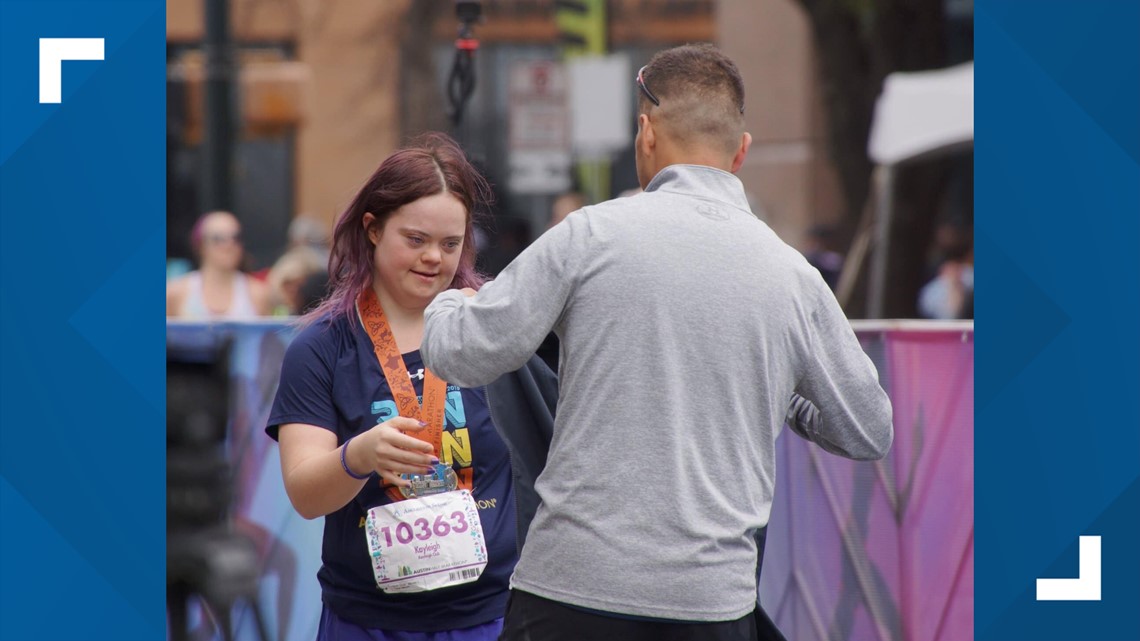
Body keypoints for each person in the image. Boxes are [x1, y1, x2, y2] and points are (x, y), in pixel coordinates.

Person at [420, 44, 893, 641]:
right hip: (712, 604)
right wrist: (780, 388)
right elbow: (868, 429)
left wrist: (449, 300)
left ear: (646, 132)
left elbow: (462, 352)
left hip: (573, 590)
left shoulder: (589, 236)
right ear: (741, 151)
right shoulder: (792, 275)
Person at [265, 132, 557, 641]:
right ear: (373, 229)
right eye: (416, 240)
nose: (433, 259)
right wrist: (358, 456)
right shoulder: (322, 347)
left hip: (491, 616)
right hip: (367, 621)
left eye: (450, 244)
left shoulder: (496, 328)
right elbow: (306, 495)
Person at [166, 210, 270, 318]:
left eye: (235, 237)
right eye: (218, 238)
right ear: (201, 245)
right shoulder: (176, 293)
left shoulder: (258, 294)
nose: (228, 245)